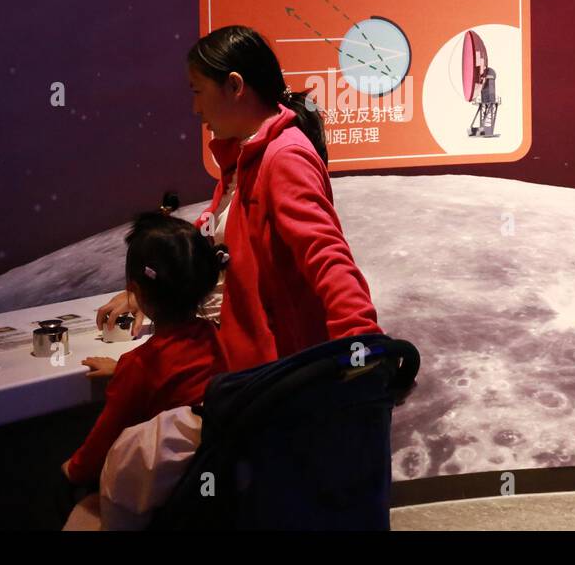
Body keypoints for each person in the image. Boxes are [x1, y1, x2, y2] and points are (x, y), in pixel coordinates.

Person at [97, 25, 382, 371]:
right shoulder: (242, 160)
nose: (195, 107)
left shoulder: (284, 158)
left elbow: (326, 256)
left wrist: (361, 345)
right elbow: (205, 249)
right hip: (240, 366)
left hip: (275, 377)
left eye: (198, 91)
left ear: (234, 85)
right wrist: (148, 293)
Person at [61, 211, 228, 488]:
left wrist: (71, 471)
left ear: (136, 291)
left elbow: (96, 452)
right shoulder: (215, 337)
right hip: (208, 485)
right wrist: (123, 369)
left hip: (163, 493)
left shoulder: (141, 366)